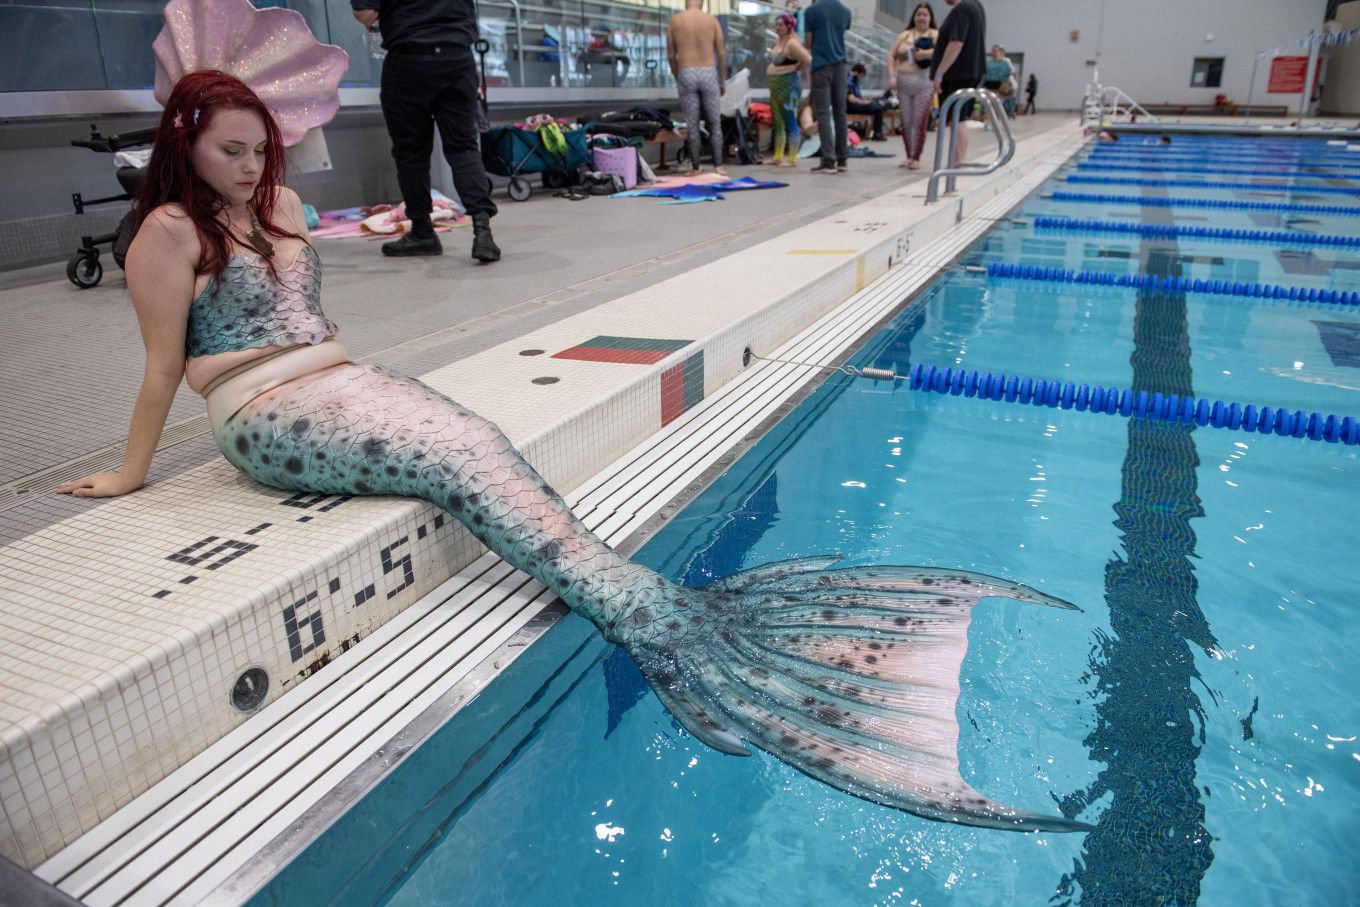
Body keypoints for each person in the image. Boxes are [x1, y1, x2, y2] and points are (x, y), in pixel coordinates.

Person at [56, 69, 1091, 837]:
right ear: (182, 142)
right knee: (454, 457)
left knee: (473, 440)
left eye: (259, 147)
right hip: (264, 416)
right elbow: (162, 369)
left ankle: (633, 594)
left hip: (341, 382)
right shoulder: (165, 236)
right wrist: (129, 474)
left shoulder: (278, 208)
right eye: (230, 149)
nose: (251, 166)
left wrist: (315, 325)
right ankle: (636, 605)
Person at [351, 0, 500, 263]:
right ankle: (482, 232)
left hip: (409, 60)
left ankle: (423, 232)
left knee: (411, 154)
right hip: (457, 58)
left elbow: (365, 13)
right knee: (463, 146)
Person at [667, 0, 728, 176]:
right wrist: (722, 81)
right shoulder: (712, 20)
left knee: (692, 124)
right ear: (701, 2)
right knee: (715, 123)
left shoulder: (675, 21)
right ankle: (718, 166)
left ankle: (695, 168)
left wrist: (678, 75)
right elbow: (722, 53)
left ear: (686, 2)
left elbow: (671, 55)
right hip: (708, 72)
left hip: (686, 71)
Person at [930, 0, 986, 166]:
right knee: (958, 118)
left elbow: (956, 43)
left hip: (957, 74)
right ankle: (957, 162)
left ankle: (957, 164)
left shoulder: (962, 8)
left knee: (957, 118)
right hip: (968, 72)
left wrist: (939, 73)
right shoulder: (976, 6)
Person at [803, 0, 853, 174]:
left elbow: (809, 43)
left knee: (823, 112)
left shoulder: (811, 11)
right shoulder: (845, 11)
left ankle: (828, 160)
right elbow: (842, 32)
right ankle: (843, 159)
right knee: (840, 113)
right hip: (840, 66)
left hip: (821, 66)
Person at [888, 2, 937, 169]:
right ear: (914, 17)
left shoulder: (935, 34)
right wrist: (892, 75)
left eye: (925, 14)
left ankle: (916, 157)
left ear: (930, 18)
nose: (922, 17)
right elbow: (891, 55)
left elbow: (942, 51)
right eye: (919, 14)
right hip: (904, 82)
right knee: (907, 121)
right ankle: (909, 155)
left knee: (919, 121)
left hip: (924, 82)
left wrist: (925, 53)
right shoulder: (904, 35)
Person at [766, 14, 810, 167]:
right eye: (776, 24)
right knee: (778, 122)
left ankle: (791, 159)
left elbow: (807, 59)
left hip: (788, 86)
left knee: (790, 122)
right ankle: (778, 157)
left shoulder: (792, 43)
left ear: (789, 26)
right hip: (775, 86)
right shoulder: (779, 41)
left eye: (781, 25)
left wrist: (795, 69)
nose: (777, 27)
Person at [846, 63, 887, 141]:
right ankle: (877, 134)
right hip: (850, 106)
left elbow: (857, 96)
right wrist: (864, 102)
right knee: (878, 109)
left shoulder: (855, 80)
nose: (861, 77)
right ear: (857, 72)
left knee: (878, 106)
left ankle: (877, 133)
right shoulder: (849, 80)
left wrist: (865, 100)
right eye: (861, 75)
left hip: (856, 104)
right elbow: (851, 99)